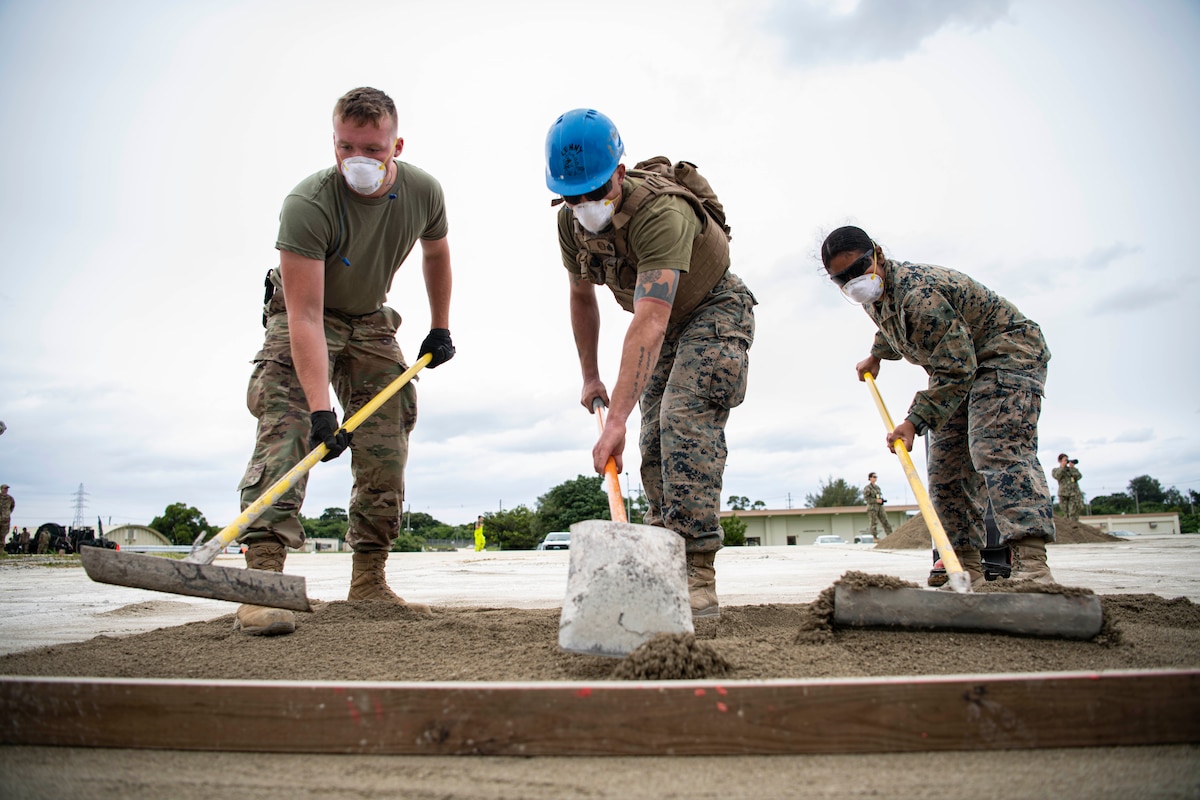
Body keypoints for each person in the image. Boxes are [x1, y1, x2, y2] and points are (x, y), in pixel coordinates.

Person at [234, 86, 456, 636]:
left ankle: (369, 581)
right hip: (303, 314)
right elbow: (307, 317)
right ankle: (263, 581)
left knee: (389, 425)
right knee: (286, 427)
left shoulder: (424, 191)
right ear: (334, 143)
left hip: (369, 317)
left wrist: (440, 325)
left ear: (396, 145)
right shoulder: (308, 205)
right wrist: (320, 414)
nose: (358, 159)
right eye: (345, 147)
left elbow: (437, 251)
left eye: (373, 150)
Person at [545, 109, 756, 618]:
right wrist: (590, 376)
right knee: (652, 437)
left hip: (713, 309)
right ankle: (667, 557)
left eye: (594, 191)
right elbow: (581, 298)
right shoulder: (570, 225)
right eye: (572, 196)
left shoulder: (661, 212)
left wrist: (613, 418)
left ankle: (696, 571)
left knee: (683, 420)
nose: (584, 205)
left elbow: (650, 321)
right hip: (664, 324)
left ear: (619, 171)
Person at [821, 225, 1055, 587]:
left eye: (858, 268)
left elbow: (956, 369)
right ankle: (965, 569)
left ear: (878, 255)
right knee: (946, 469)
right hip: (957, 368)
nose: (854, 281)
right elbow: (891, 327)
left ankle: (1033, 566)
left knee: (994, 447)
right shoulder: (873, 296)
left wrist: (913, 422)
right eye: (842, 279)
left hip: (1007, 354)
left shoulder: (920, 295)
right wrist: (876, 357)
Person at [1052, 454, 1084, 520]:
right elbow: (1057, 476)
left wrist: (1072, 468)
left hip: (1074, 493)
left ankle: (1074, 525)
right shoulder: (1056, 470)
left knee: (1073, 513)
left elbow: (1079, 476)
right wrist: (1062, 467)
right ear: (1060, 461)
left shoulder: (1071, 470)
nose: (1066, 462)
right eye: (1065, 460)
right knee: (1065, 513)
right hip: (1063, 493)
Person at [863, 472, 893, 539]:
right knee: (873, 523)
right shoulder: (867, 488)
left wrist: (880, 500)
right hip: (872, 507)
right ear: (870, 478)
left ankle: (890, 535)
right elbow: (866, 498)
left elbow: (879, 496)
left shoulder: (877, 488)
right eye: (874, 477)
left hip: (879, 507)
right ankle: (875, 537)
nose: (875, 478)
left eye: (876, 477)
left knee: (885, 520)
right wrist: (875, 500)